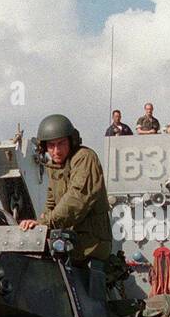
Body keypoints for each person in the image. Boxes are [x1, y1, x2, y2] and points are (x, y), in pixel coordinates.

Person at [18, 113, 113, 266]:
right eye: (51, 145)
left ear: (71, 141)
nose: (56, 151)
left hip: (91, 246)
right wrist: (36, 224)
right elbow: (51, 203)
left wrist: (44, 223)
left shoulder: (84, 158)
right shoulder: (54, 167)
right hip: (68, 242)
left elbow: (76, 199)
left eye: (61, 143)